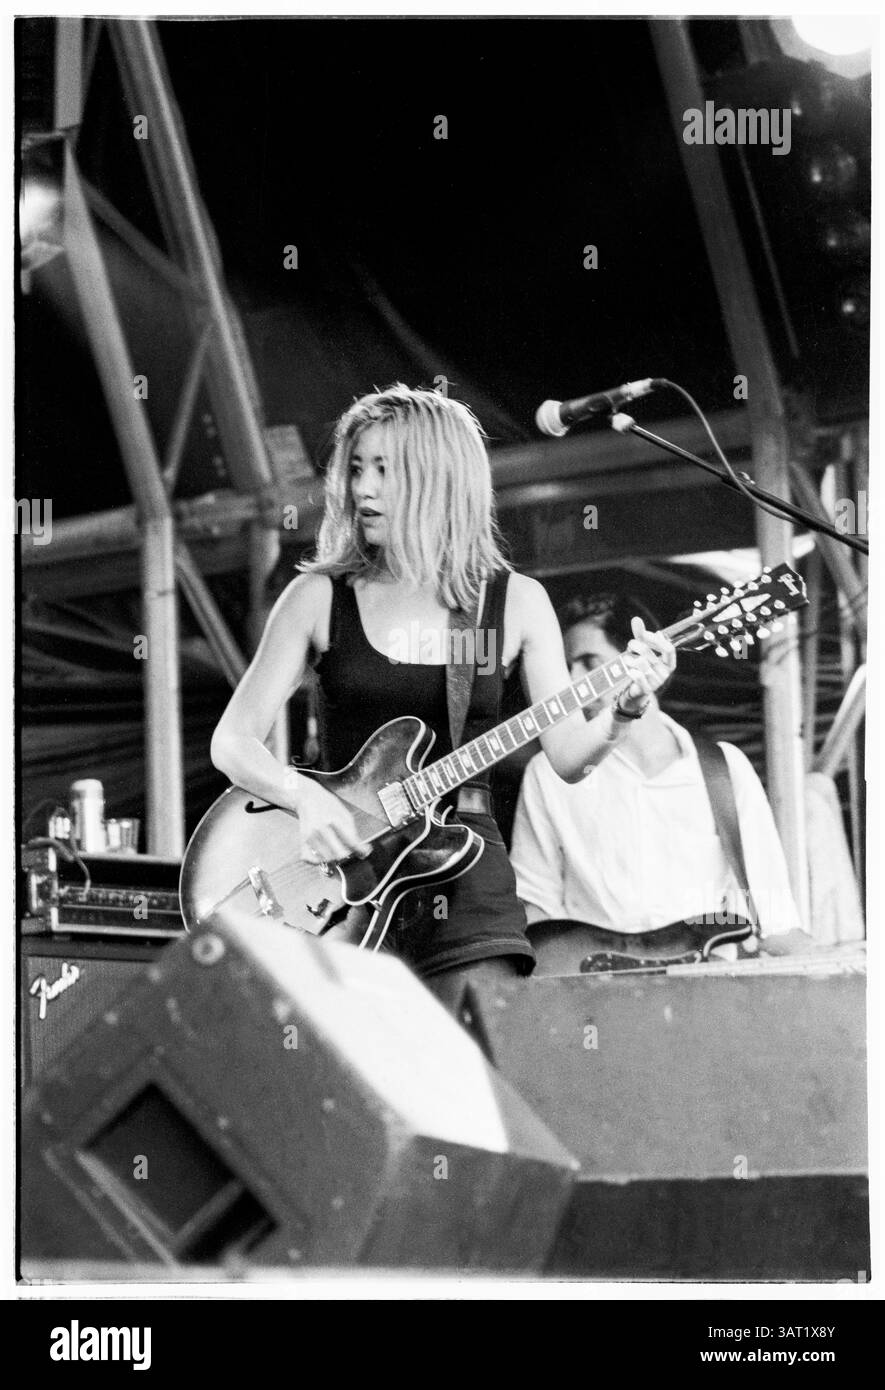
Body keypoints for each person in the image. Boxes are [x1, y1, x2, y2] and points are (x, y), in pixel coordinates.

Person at [209, 387, 676, 1010]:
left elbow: (566, 757)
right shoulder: (319, 597)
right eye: (356, 468)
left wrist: (620, 715)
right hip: (341, 874)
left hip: (464, 872)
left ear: (439, 480)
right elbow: (232, 742)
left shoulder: (515, 602)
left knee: (479, 1075)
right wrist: (307, 799)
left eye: (385, 471)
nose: (362, 490)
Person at [510, 591, 804, 949]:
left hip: (704, 988)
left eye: (589, 662)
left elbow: (775, 918)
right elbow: (536, 908)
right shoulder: (548, 773)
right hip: (595, 989)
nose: (573, 681)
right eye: (568, 666)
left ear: (641, 662)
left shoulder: (723, 768)